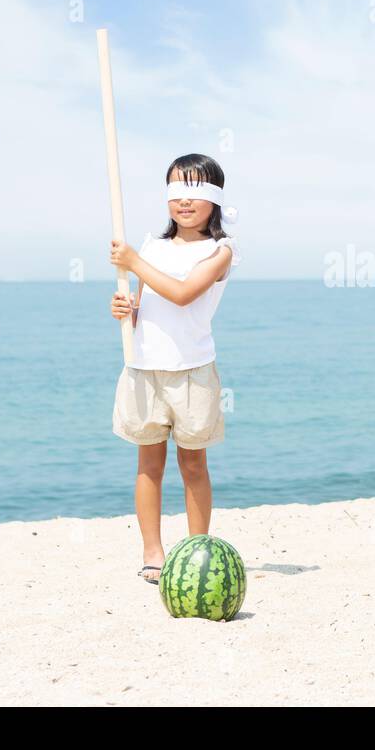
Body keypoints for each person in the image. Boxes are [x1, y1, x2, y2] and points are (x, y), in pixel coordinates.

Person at [107, 153, 239, 584]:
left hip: (192, 371)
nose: (185, 201)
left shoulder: (219, 251)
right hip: (144, 368)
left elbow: (183, 295)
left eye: (195, 191)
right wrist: (126, 309)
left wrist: (132, 262)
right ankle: (153, 552)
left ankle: (198, 548)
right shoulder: (151, 247)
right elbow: (147, 309)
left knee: (194, 465)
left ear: (215, 198)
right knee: (149, 465)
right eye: (176, 191)